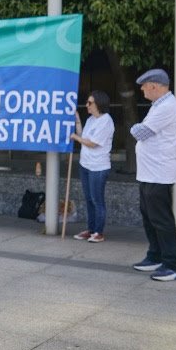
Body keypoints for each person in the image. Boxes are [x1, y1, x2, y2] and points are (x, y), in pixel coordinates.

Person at [130, 68, 176, 282]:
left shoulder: (167, 106)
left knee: (161, 220)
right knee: (149, 217)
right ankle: (155, 256)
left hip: (159, 173)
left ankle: (171, 264)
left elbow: (140, 132)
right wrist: (139, 127)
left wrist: (135, 127)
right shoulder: (158, 105)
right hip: (149, 172)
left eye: (144, 86)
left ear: (153, 86)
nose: (142, 90)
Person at [71, 91, 115, 243]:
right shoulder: (90, 119)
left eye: (90, 103)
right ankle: (90, 230)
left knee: (97, 200)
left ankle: (98, 232)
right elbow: (83, 136)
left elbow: (92, 143)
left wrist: (75, 137)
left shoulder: (106, 121)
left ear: (99, 104)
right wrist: (77, 120)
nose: (87, 105)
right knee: (89, 199)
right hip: (85, 164)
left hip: (98, 167)